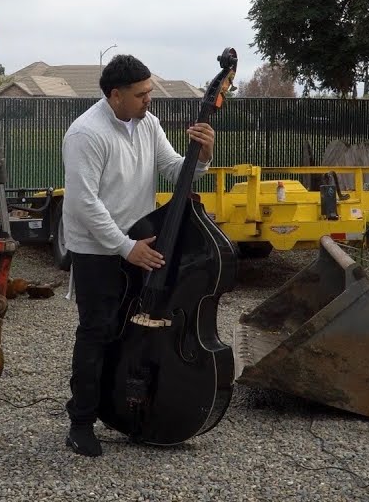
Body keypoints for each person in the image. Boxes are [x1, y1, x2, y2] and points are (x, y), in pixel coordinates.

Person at [59, 54, 215, 457]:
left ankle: (127, 407)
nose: (150, 100)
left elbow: (174, 170)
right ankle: (80, 422)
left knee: (130, 333)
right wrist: (125, 248)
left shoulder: (148, 123)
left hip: (139, 243)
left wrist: (202, 156)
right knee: (97, 332)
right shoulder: (85, 134)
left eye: (150, 92)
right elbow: (84, 204)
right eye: (142, 94)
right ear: (115, 95)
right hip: (97, 249)